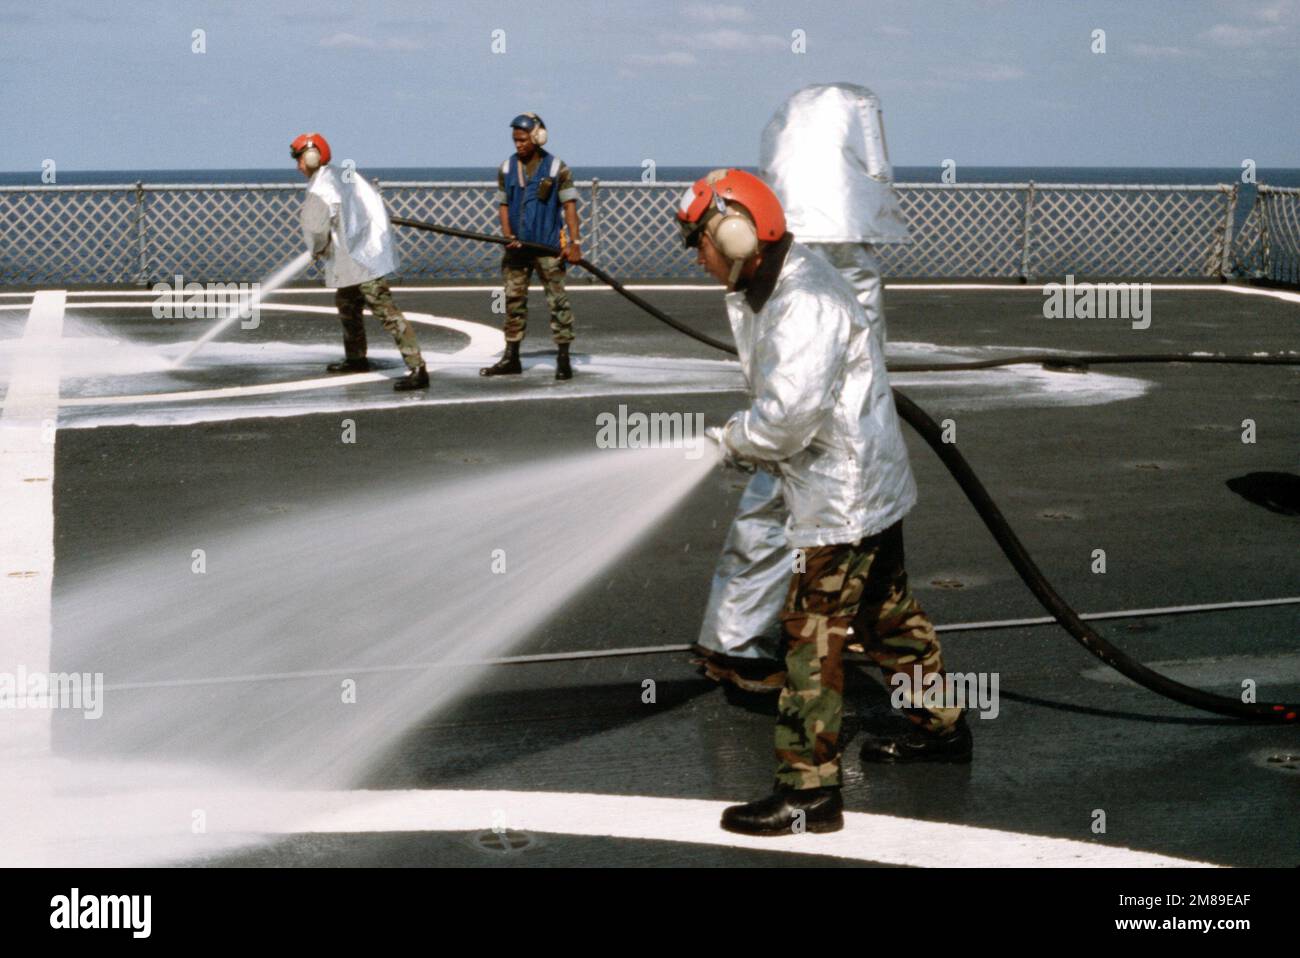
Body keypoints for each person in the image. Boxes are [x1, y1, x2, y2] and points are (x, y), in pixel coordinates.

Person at [676, 170, 969, 837]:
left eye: (701, 243)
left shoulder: (801, 299)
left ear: (737, 235)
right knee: (886, 611)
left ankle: (809, 794)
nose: (699, 258)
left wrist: (729, 440)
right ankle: (943, 727)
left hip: (843, 495)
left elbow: (785, 421)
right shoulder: (773, 279)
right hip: (863, 481)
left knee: (810, 638)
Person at [693, 83, 914, 693]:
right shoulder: (831, 265)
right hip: (842, 471)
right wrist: (755, 436)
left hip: (839, 468)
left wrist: (752, 435)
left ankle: (738, 639)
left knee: (869, 596)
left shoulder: (794, 255)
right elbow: (797, 412)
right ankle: (811, 770)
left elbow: (794, 405)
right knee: (832, 607)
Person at [292, 132, 428, 391]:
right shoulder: (342, 175)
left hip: (358, 261)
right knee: (347, 304)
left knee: (386, 311)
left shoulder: (322, 187)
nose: (298, 166)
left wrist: (318, 249)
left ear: (312, 157)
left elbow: (316, 229)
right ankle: (356, 357)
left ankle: (418, 368)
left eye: (300, 159)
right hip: (361, 255)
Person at [480, 113, 582, 381]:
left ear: (538, 138)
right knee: (512, 301)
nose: (518, 145)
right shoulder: (506, 169)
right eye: (515, 140)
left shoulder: (557, 169)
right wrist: (507, 236)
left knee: (558, 302)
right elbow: (504, 205)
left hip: (548, 248)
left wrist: (575, 242)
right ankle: (511, 356)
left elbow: (570, 207)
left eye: (523, 139)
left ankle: (563, 358)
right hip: (516, 249)